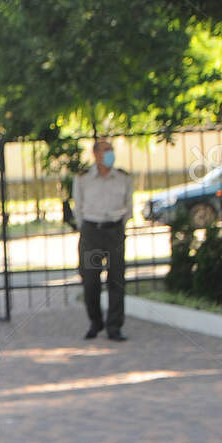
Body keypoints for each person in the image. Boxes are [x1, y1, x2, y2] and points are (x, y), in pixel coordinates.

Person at [73, 138, 133, 341]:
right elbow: (78, 207)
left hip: (114, 230)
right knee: (90, 279)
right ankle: (95, 321)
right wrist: (86, 229)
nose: (110, 153)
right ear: (96, 154)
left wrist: (120, 227)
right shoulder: (83, 178)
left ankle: (114, 326)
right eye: (106, 150)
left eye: (111, 149)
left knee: (117, 279)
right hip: (92, 231)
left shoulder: (123, 177)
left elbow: (129, 206)